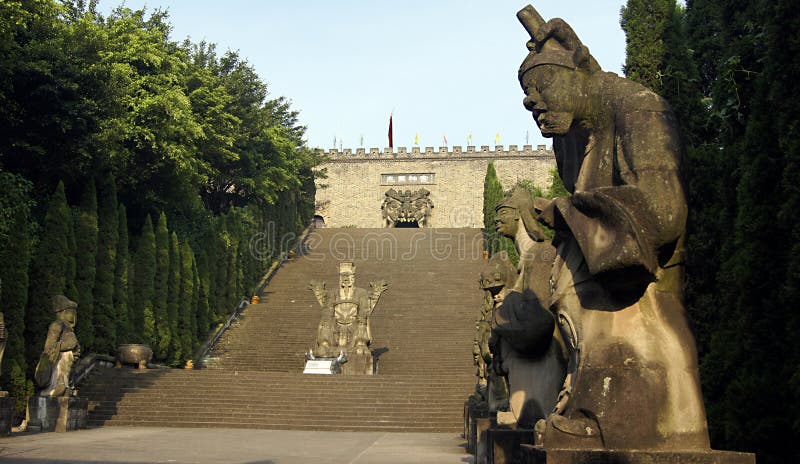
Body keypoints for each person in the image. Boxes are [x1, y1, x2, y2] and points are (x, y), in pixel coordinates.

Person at [516, 5, 709, 450]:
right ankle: (592, 411)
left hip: (643, 300)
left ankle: (616, 419)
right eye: (527, 93)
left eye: (543, 86)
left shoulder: (639, 108)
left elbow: (663, 212)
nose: (532, 101)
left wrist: (568, 212)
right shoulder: (580, 136)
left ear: (581, 73)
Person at [490, 188, 566, 428]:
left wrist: (503, 315)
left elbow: (539, 322)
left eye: (503, 212)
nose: (496, 219)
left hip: (546, 358)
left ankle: (530, 408)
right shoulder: (526, 260)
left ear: (520, 215)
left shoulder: (540, 255)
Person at [35, 295, 81, 397]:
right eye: (71, 313)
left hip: (70, 363)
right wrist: (66, 346)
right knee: (60, 370)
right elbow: (49, 346)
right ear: (62, 312)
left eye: (75, 314)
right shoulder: (57, 325)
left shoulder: (69, 329)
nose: (74, 317)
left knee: (67, 373)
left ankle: (66, 386)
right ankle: (54, 388)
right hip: (58, 360)